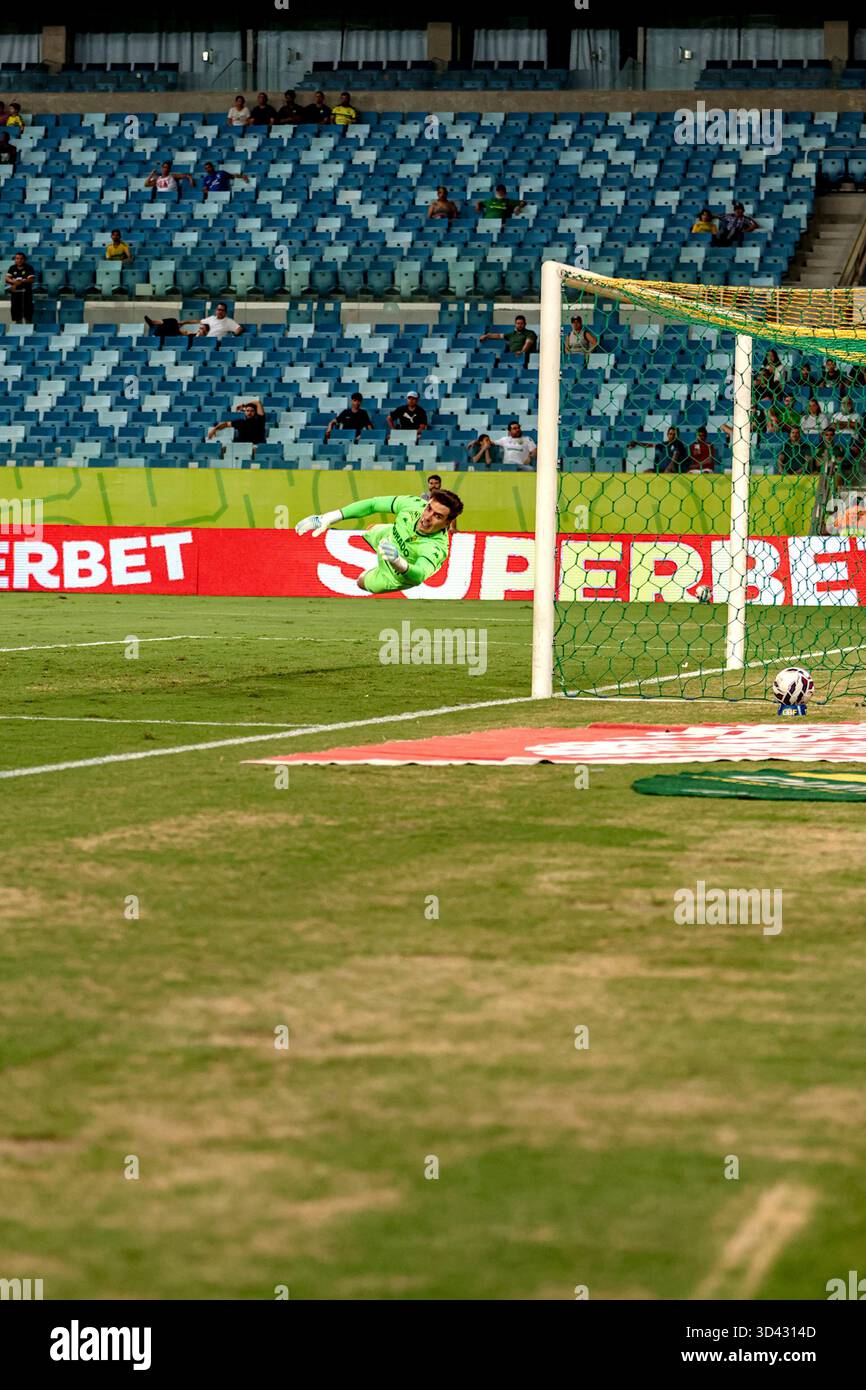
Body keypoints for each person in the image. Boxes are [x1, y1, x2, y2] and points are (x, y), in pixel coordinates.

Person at [295, 489, 464, 594]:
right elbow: (373, 504)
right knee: (370, 529)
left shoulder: (436, 548)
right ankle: (381, 536)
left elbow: (418, 576)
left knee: (361, 582)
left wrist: (398, 562)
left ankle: (379, 568)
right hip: (388, 537)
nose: (427, 517)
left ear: (448, 523)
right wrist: (330, 517)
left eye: (438, 516)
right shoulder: (413, 505)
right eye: (429, 508)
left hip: (395, 575)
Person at [5, 250, 34, 323]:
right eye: (17, 258)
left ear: (24, 260)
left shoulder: (29, 267)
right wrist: (14, 282)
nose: (19, 260)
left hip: (26, 294)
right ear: (15, 259)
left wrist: (20, 282)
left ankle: (28, 331)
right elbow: (7, 279)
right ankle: (18, 330)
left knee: (28, 316)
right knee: (17, 316)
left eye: (21, 259)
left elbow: (31, 279)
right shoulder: (12, 268)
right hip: (15, 295)